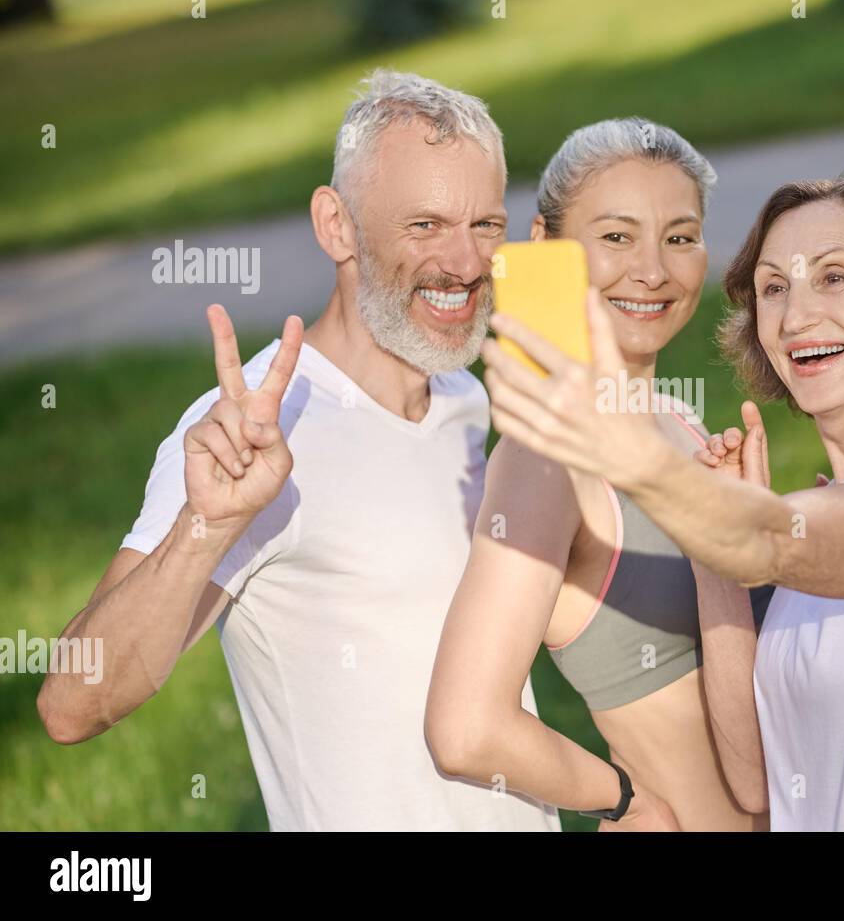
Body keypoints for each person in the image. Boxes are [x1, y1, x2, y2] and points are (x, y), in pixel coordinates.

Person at [36, 69, 559, 832]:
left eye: (484, 224)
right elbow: (71, 705)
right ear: (336, 225)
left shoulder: (464, 401)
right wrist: (207, 526)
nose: (467, 262)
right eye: (425, 225)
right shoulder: (258, 428)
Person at [480, 170, 844, 830]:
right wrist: (717, 555)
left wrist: (638, 459)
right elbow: (759, 780)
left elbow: (777, 539)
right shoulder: (810, 558)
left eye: (835, 278)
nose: (796, 314)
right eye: (774, 288)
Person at [426, 118, 768, 831]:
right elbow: (465, 729)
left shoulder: (679, 422)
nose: (652, 271)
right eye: (616, 237)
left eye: (680, 237)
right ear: (546, 246)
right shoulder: (545, 458)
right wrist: (621, 799)